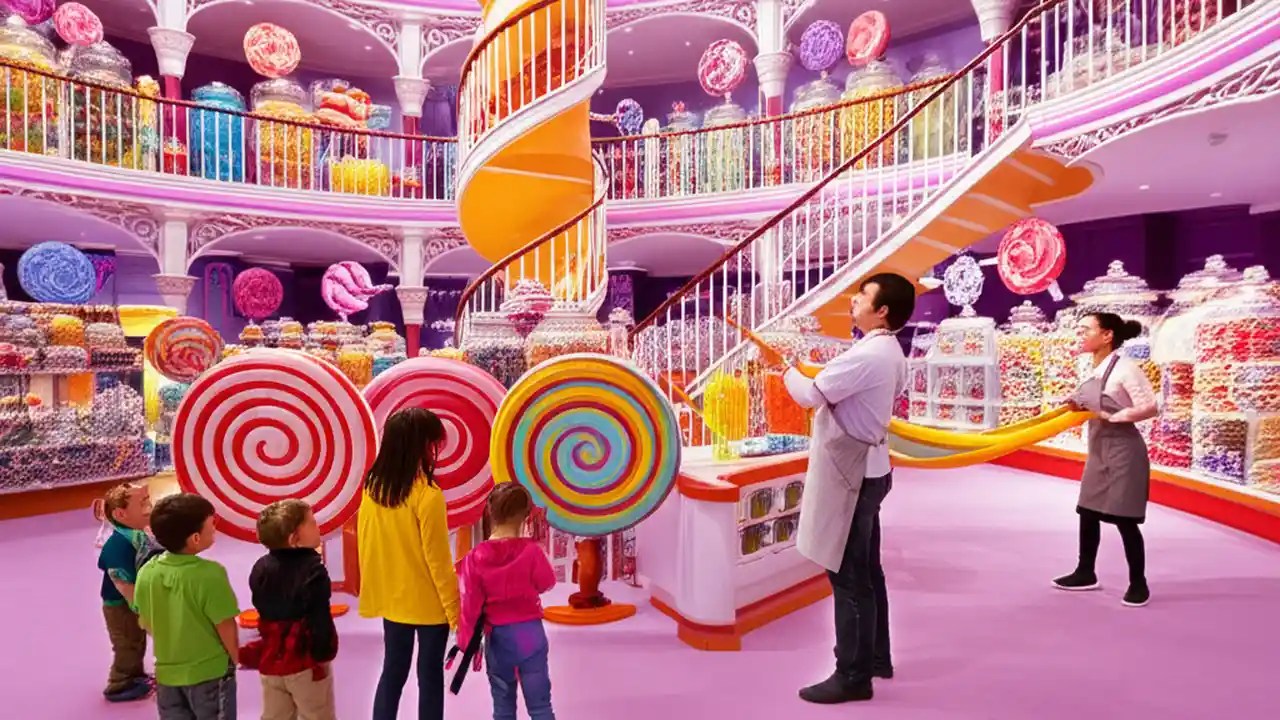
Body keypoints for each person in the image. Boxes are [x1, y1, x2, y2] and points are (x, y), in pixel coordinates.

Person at [782, 273, 914, 705]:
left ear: (883, 311)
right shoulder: (888, 351)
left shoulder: (871, 354)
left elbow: (811, 394)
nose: (854, 301)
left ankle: (853, 674)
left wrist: (786, 371)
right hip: (872, 468)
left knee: (848, 575)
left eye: (863, 296)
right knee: (867, 571)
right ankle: (875, 657)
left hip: (853, 473)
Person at [358, 407, 461, 720]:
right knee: (429, 677)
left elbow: (368, 543)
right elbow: (438, 561)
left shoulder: (373, 487)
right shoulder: (427, 495)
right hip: (429, 604)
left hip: (393, 600)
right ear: (423, 445)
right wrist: (455, 612)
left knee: (392, 673)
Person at [1054, 312, 1158, 607]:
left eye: (1086, 330)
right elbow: (1089, 402)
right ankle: (1085, 571)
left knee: (1125, 518)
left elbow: (1150, 406)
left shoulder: (1126, 369)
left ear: (1107, 335)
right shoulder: (1093, 368)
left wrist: (1115, 416)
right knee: (1087, 511)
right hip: (1099, 448)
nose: (1080, 335)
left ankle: (1138, 584)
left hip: (1124, 451)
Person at [135, 493, 240, 720]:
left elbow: (146, 620)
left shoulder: (146, 572)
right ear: (195, 538)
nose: (215, 529)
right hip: (210, 672)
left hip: (167, 675)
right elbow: (225, 625)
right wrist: (234, 659)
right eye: (211, 524)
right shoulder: (210, 574)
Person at [458, 484, 557, 720]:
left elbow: (470, 605)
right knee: (541, 706)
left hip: (498, 638)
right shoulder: (532, 552)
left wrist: (466, 643)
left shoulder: (475, 557)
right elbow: (547, 582)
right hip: (530, 634)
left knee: (503, 707)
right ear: (525, 515)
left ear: (490, 511)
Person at [242, 499, 338, 720]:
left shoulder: (260, 568)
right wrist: (323, 653)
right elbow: (319, 617)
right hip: (305, 662)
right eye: (312, 523)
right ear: (294, 539)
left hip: (271, 662)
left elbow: (263, 610)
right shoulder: (314, 571)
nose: (318, 527)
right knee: (317, 715)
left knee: (275, 715)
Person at [97, 482, 160, 702]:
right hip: (120, 605)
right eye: (142, 504)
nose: (149, 509)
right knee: (127, 644)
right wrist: (142, 609)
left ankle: (135, 675)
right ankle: (119, 683)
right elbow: (123, 583)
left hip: (134, 601)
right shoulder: (117, 546)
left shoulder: (139, 536)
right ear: (121, 514)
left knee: (137, 640)